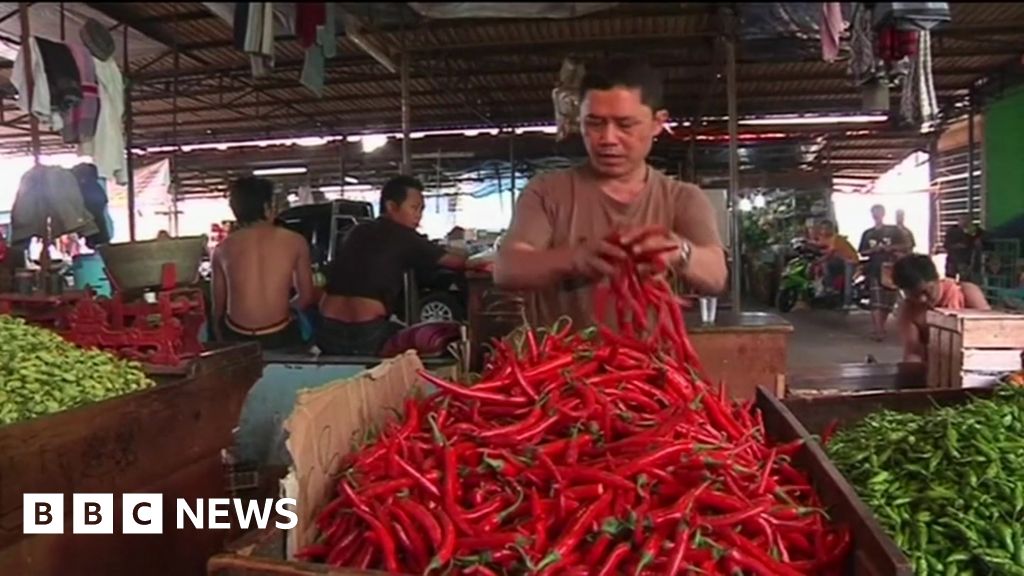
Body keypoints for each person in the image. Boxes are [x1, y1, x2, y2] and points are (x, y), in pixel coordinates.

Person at [494, 56, 727, 328]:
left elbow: (716, 276)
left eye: (625, 125)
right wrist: (575, 259)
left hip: (648, 364)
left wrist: (680, 252)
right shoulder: (546, 192)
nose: (608, 138)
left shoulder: (682, 198)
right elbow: (507, 268)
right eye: (594, 123)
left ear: (657, 123)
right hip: (562, 365)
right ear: (579, 120)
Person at [318, 176, 469, 356]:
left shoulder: (357, 231)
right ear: (391, 206)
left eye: (421, 209)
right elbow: (459, 263)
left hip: (326, 329)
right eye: (414, 208)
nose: (418, 215)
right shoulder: (405, 235)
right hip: (367, 332)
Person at [211, 177, 315, 350]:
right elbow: (306, 298)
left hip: (236, 336)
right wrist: (282, 307)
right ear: (267, 207)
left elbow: (218, 309)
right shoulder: (295, 241)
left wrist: (219, 337)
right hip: (280, 335)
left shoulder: (222, 249)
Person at [892, 254, 990, 363]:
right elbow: (914, 351)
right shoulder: (908, 310)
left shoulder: (966, 293)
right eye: (913, 295)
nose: (922, 299)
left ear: (937, 279)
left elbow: (990, 333)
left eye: (926, 291)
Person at [858, 204, 907, 341]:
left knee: (888, 302)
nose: (876, 215)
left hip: (891, 269)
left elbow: (906, 245)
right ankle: (878, 330)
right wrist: (873, 251)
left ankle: (880, 328)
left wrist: (888, 248)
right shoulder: (868, 233)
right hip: (874, 269)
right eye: (874, 212)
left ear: (883, 213)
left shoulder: (893, 231)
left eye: (878, 212)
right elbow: (862, 251)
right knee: (876, 301)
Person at [812, 220, 858, 295]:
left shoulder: (836, 238)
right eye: (822, 229)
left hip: (849, 261)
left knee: (825, 264)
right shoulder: (826, 239)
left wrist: (818, 261)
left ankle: (830, 288)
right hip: (840, 261)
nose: (824, 231)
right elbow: (818, 245)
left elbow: (830, 253)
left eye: (826, 228)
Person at [943, 215, 974, 280]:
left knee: (965, 282)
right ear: (958, 221)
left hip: (964, 261)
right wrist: (958, 246)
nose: (964, 222)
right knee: (950, 281)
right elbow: (946, 245)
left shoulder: (972, 232)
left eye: (967, 221)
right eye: (962, 220)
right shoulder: (952, 231)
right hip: (952, 260)